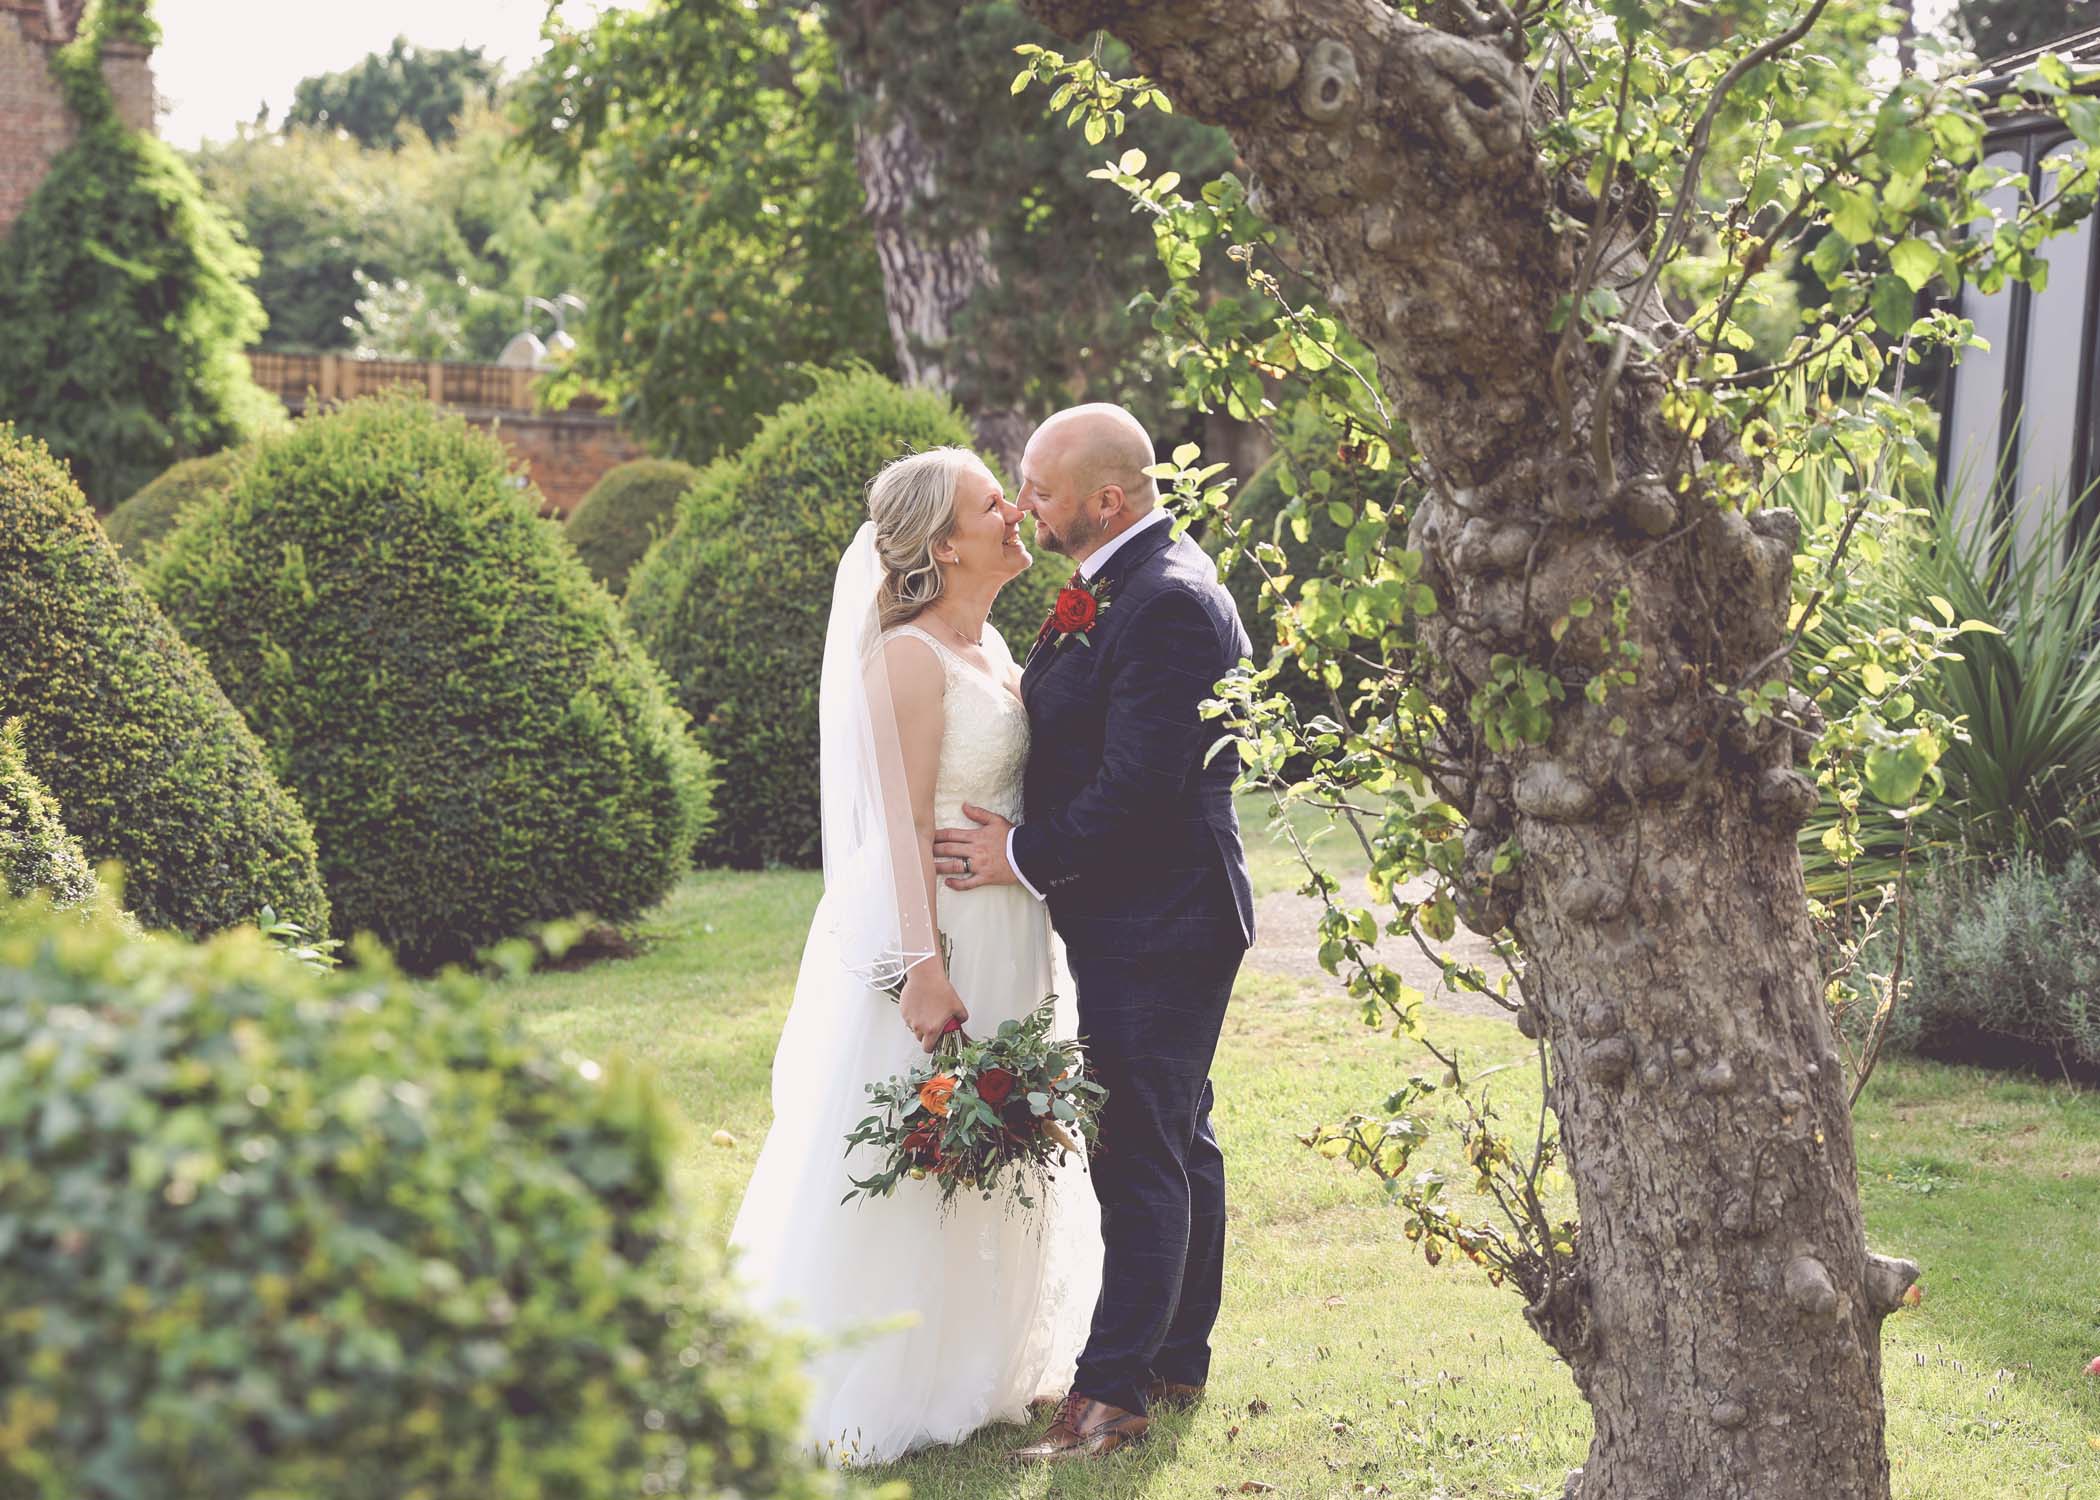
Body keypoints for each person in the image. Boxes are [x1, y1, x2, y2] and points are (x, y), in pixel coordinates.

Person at [728, 446, 1102, 1465]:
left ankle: (979, 1358)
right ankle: (879, 1371)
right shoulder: (906, 657)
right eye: (996, 502)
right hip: (938, 926)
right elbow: (897, 823)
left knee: (997, 1132)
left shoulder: (994, 650)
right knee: (912, 1138)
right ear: (944, 542)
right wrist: (918, 964)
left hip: (1011, 924)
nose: (1019, 509)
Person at [932, 403, 1255, 1463]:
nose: (1024, 501)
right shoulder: (1115, 583)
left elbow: (1136, 792)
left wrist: (1018, 855)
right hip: (1143, 910)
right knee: (1179, 1136)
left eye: (1039, 484)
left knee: (1139, 1153)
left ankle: (1111, 1398)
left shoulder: (1165, 600)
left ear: (1105, 500)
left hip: (1162, 918)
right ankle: (1175, 1358)